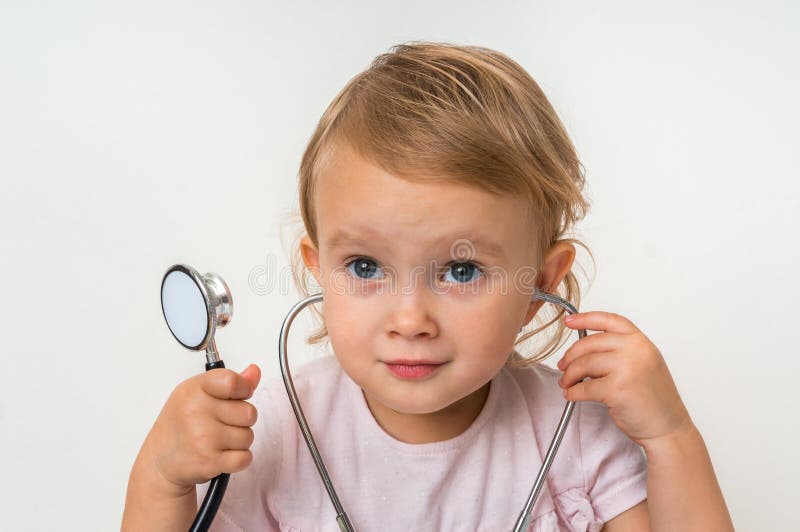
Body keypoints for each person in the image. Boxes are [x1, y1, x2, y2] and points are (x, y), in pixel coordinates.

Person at [122, 42, 734, 531]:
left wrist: (671, 438)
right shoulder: (280, 431)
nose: (410, 318)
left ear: (540, 284)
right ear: (317, 267)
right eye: (365, 268)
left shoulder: (573, 436)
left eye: (461, 271)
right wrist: (160, 480)